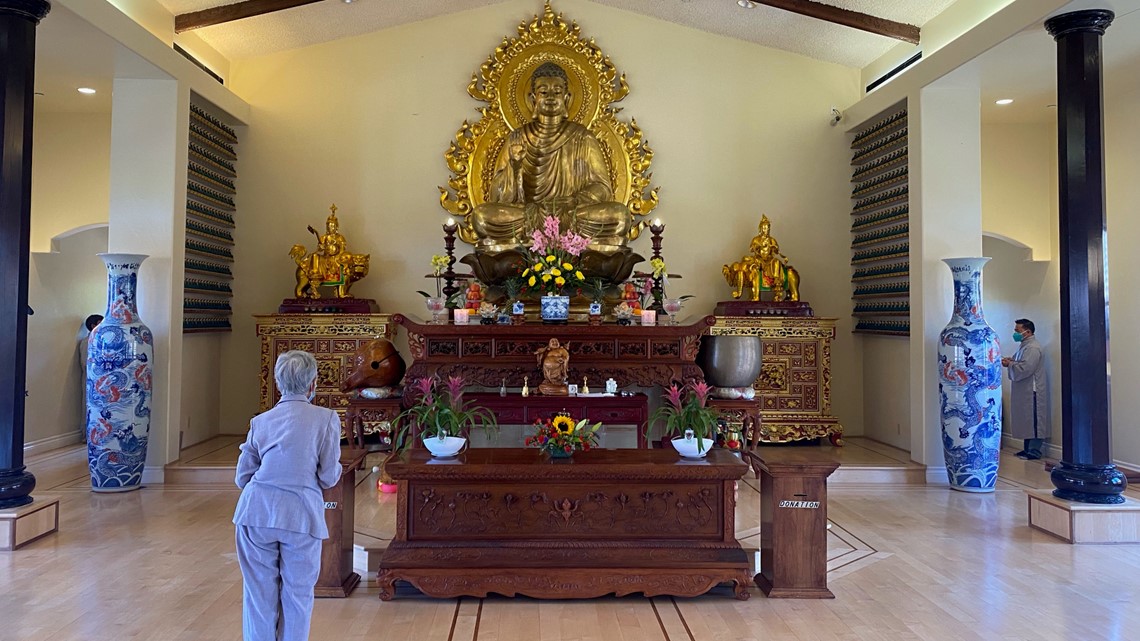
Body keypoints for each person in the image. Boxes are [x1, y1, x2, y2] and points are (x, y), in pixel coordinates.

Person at [233, 350, 342, 641]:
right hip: (301, 516)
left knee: (259, 596)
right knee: (298, 595)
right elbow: (329, 476)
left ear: (279, 384)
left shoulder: (261, 422)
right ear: (313, 384)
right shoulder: (326, 419)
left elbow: (242, 477)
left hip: (256, 512)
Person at [470, 62, 631, 252]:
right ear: (532, 98)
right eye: (543, 92)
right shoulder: (517, 138)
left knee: (620, 216)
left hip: (571, 214)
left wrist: (576, 200)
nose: (551, 98)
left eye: (557, 91)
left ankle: (552, 237)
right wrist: (514, 165)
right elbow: (497, 198)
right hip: (530, 215)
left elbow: (603, 189)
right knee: (481, 217)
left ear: (567, 98)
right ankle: (541, 237)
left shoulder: (583, 137)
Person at [1001, 318, 1050, 460]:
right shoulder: (1025, 346)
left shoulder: (1033, 347)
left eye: (1017, 331)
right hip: (1025, 389)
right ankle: (1027, 448)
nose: (1015, 333)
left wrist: (1010, 365)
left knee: (1034, 419)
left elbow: (1026, 368)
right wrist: (1011, 361)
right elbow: (1021, 363)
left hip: (1032, 390)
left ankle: (1034, 451)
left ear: (1027, 332)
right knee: (1026, 419)